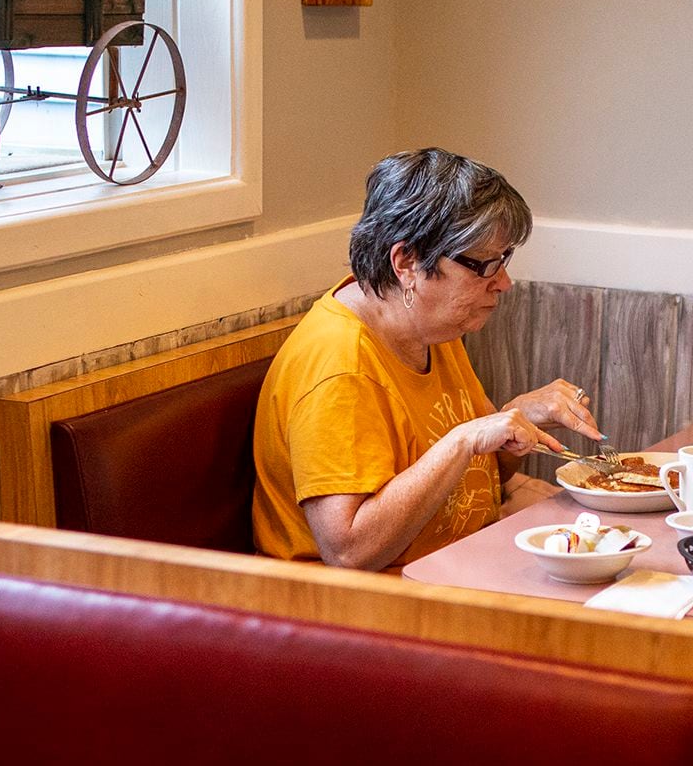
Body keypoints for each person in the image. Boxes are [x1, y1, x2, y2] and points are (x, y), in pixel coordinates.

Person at [253, 148, 601, 569]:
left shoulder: (428, 323)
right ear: (407, 262)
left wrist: (518, 415)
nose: (504, 282)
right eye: (484, 265)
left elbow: (483, 479)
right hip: (372, 599)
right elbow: (349, 553)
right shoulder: (340, 368)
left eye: (504, 260)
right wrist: (462, 440)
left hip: (461, 560)